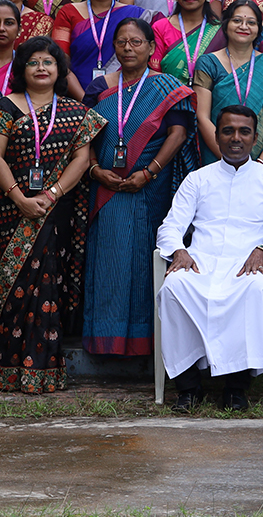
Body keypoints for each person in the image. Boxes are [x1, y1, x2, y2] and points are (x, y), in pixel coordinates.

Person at [157, 105, 263, 412]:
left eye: (244, 132)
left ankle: (237, 387)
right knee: (174, 288)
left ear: (255, 137)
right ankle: (188, 388)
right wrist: (178, 250)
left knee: (256, 290)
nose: (236, 138)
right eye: (228, 131)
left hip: (247, 266)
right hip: (201, 263)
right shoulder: (198, 179)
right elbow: (170, 227)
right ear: (217, 136)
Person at [0, 37, 105, 393]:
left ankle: (45, 369)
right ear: (21, 69)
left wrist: (52, 194)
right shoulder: (5, 107)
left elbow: (81, 159)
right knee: (13, 286)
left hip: (55, 210)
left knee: (49, 285)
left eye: (48, 62)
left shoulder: (75, 111)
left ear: (58, 71)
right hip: (10, 210)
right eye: (33, 62)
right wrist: (19, 197)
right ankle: (6, 369)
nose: (40, 68)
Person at [82, 18, 195, 357]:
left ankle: (147, 344)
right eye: (122, 42)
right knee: (108, 258)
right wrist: (94, 170)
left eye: (136, 42)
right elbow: (85, 136)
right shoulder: (99, 88)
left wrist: (150, 171)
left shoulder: (167, 87)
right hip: (106, 186)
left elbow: (177, 134)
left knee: (146, 260)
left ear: (150, 47)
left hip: (150, 187)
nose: (128, 48)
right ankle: (105, 340)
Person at [194, 0, 263, 166]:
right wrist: (227, 160)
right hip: (217, 157)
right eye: (237, 20)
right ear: (226, 25)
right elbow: (202, 117)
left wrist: (261, 163)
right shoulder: (207, 63)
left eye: (251, 22)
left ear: (258, 30)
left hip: (261, 162)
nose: (244, 26)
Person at [53, 0, 148, 91]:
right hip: (77, 98)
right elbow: (60, 63)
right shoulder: (68, 12)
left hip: (125, 96)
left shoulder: (134, 14)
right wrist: (85, 102)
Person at [149, 0, 225, 86]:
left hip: (211, 101)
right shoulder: (160, 27)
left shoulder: (220, 31)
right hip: (169, 100)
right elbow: (154, 74)